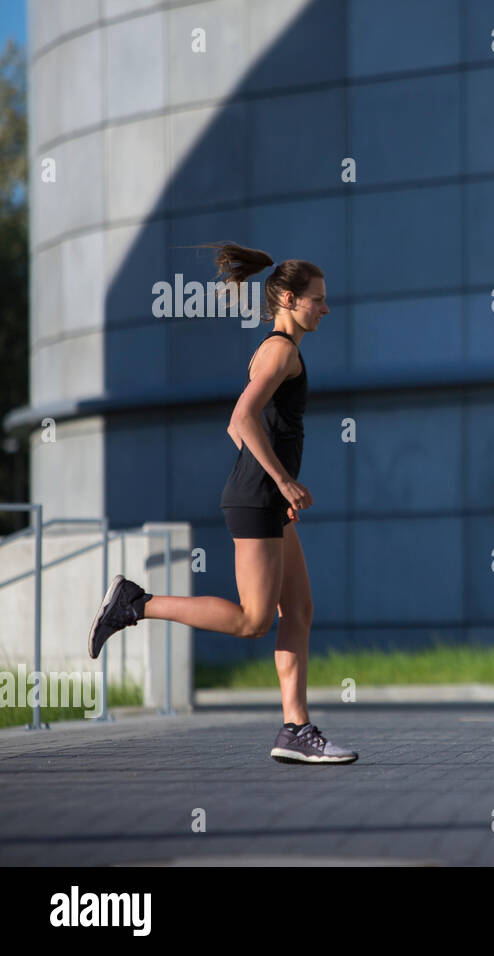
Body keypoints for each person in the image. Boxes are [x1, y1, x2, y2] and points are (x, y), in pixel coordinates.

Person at [87, 242, 357, 765]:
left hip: (263, 497)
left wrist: (276, 482)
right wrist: (279, 482)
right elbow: (240, 419)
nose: (325, 308)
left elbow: (246, 431)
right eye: (318, 299)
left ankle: (295, 731)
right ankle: (135, 604)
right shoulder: (280, 350)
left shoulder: (277, 349)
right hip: (257, 500)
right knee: (254, 620)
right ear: (287, 298)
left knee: (298, 609)